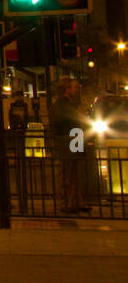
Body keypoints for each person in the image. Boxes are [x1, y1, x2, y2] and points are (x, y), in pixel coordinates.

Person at [50, 78, 90, 213]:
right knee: (68, 174)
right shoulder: (62, 105)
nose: (77, 90)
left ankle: (75, 201)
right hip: (69, 142)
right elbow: (68, 123)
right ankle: (67, 203)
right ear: (67, 89)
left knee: (75, 174)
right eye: (74, 87)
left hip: (73, 140)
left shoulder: (68, 105)